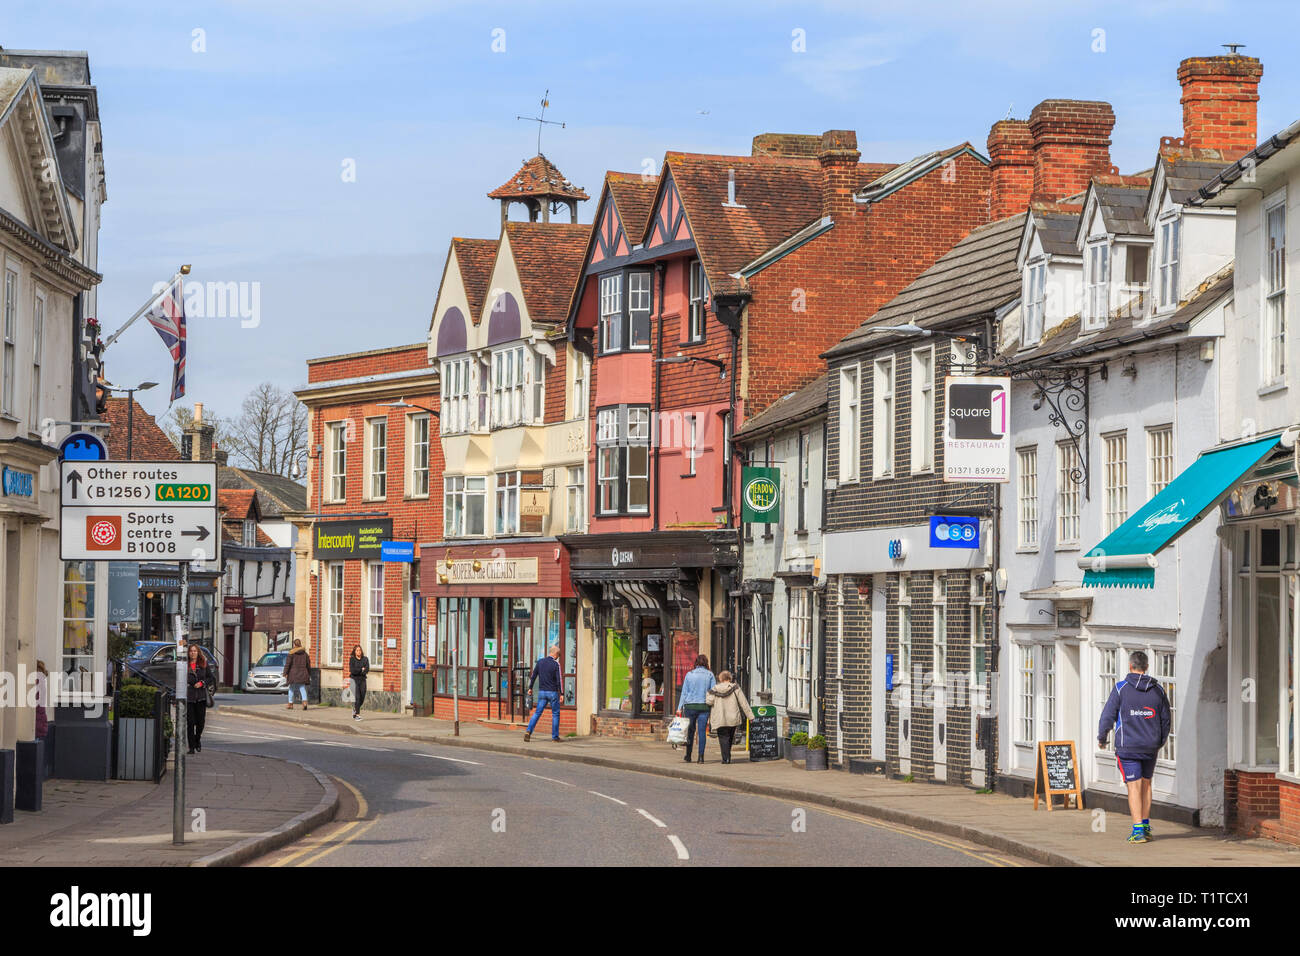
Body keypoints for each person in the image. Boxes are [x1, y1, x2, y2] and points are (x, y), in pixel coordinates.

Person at [1098, 650, 1172, 844]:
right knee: (1146, 784)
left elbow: (1108, 716)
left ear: (1130, 666)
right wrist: (1160, 741)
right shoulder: (1159, 690)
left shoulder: (1121, 688)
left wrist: (1102, 737)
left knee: (1134, 785)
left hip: (1128, 746)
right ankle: (1146, 825)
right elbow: (1166, 720)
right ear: (1146, 667)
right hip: (1150, 746)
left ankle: (1138, 830)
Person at [706, 670, 753, 764]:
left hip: (720, 718)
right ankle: (727, 756)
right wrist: (750, 716)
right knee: (730, 737)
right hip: (733, 717)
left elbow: (709, 702)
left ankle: (725, 758)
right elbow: (744, 703)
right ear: (730, 678)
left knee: (723, 737)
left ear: (720, 679)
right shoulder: (736, 688)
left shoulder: (714, 689)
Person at [676, 654, 716, 763]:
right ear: (706, 663)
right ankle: (701, 757)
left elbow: (684, 693)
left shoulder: (689, 674)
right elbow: (713, 692)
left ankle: (688, 755)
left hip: (690, 706)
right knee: (702, 731)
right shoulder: (710, 675)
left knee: (690, 731)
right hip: (704, 706)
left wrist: (679, 707)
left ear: (696, 663)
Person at [524, 644, 563, 743]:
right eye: (558, 655)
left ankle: (528, 731)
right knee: (555, 714)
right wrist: (561, 693)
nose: (558, 657)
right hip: (553, 693)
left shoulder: (540, 662)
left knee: (537, 713)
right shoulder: (556, 664)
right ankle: (555, 737)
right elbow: (559, 680)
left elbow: (533, 676)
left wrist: (530, 688)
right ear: (556, 654)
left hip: (542, 692)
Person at [186, 644, 217, 754]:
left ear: (198, 652)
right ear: (188, 653)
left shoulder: (203, 663)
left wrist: (202, 683)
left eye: (195, 651)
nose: (193, 653)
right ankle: (191, 747)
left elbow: (210, 678)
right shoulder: (185, 665)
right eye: (191, 651)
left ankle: (197, 739)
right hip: (189, 697)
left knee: (200, 723)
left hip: (201, 697)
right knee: (190, 723)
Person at [283, 639, 312, 710]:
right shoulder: (305, 654)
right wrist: (309, 672)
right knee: (302, 688)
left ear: (294, 645)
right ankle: (304, 703)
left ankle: (290, 704)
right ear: (300, 644)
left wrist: (285, 673)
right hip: (303, 672)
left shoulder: (291, 653)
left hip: (293, 673)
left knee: (291, 688)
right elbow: (308, 664)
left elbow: (288, 664)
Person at [348, 644, 370, 721]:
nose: (359, 652)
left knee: (362, 698)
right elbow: (352, 670)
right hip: (354, 680)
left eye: (360, 650)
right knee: (357, 697)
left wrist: (361, 670)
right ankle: (357, 715)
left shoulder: (365, 659)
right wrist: (361, 669)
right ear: (354, 652)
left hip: (362, 680)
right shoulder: (352, 659)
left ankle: (355, 709)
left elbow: (367, 669)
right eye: (357, 650)